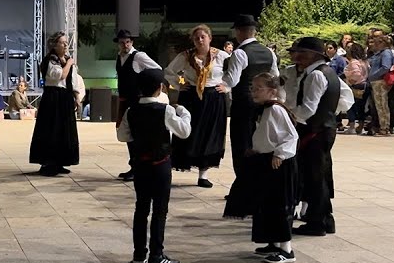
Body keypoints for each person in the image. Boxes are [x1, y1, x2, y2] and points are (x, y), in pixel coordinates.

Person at [222, 73, 300, 263]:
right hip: (265, 159)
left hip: (278, 163)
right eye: (253, 88)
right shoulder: (264, 109)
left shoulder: (276, 110)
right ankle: (272, 242)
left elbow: (291, 136)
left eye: (259, 88)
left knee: (279, 204)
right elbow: (266, 134)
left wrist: (279, 154)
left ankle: (286, 249)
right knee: (266, 204)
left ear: (272, 91)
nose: (254, 92)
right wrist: (255, 149)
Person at [120, 68, 192, 263]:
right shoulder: (166, 110)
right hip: (161, 165)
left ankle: (138, 254)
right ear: (160, 88)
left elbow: (122, 136)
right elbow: (184, 132)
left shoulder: (131, 111)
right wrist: (184, 113)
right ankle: (156, 255)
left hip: (140, 165)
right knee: (160, 210)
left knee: (141, 208)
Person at [285, 37, 349, 237]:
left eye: (301, 52)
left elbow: (308, 110)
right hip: (323, 128)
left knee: (315, 178)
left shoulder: (315, 76)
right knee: (319, 176)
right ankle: (325, 219)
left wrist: (286, 114)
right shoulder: (327, 73)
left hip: (315, 131)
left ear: (313, 55)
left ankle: (317, 222)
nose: (296, 56)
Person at [164, 24, 230, 187]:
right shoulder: (186, 56)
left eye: (203, 37)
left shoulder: (221, 56)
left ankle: (203, 174)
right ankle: (171, 170)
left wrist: (227, 86)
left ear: (210, 38)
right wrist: (179, 84)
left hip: (213, 97)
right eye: (196, 38)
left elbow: (235, 72)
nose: (200, 40)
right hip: (191, 96)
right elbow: (169, 71)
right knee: (188, 132)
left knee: (209, 134)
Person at [224, 15, 279, 179]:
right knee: (260, 141)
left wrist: (221, 77)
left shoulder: (240, 53)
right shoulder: (269, 52)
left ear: (239, 32)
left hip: (243, 103)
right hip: (263, 104)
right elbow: (274, 76)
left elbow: (232, 81)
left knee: (241, 143)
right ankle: (260, 181)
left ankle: (243, 183)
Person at [113, 29, 162, 182]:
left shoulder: (139, 56)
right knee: (128, 134)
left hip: (136, 100)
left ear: (132, 42)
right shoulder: (119, 57)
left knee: (137, 134)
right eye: (122, 42)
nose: (125, 44)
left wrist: (145, 84)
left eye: (128, 42)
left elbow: (157, 69)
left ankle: (140, 167)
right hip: (124, 100)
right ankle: (135, 165)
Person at [29, 31, 80, 176]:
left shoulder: (66, 60)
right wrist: (69, 63)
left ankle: (60, 162)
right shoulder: (51, 60)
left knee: (64, 131)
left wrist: (76, 97)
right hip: (53, 98)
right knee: (51, 129)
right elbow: (60, 76)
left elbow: (72, 79)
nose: (65, 45)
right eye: (62, 43)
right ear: (54, 45)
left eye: (66, 42)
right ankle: (48, 163)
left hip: (65, 97)